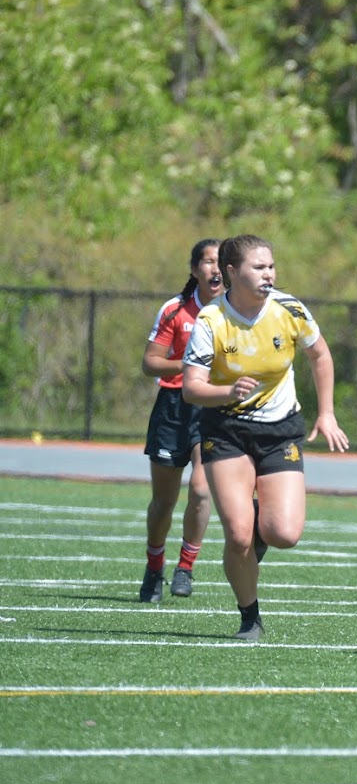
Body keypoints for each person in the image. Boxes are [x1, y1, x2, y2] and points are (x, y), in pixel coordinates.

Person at [181, 234, 350, 641]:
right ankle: (249, 616)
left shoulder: (290, 309)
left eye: (271, 266)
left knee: (284, 534)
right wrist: (228, 391)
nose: (268, 274)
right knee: (237, 535)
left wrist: (326, 413)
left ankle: (259, 526)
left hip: (280, 430)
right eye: (258, 268)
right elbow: (191, 388)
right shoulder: (211, 320)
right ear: (232, 272)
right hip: (225, 430)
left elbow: (320, 355)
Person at [138, 239, 223, 602]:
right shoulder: (175, 310)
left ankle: (186, 567)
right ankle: (154, 566)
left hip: (213, 409)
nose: (215, 269)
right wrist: (190, 366)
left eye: (222, 262)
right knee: (164, 502)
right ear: (194, 269)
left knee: (202, 491)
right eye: (207, 262)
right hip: (174, 406)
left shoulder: (236, 312)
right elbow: (150, 363)